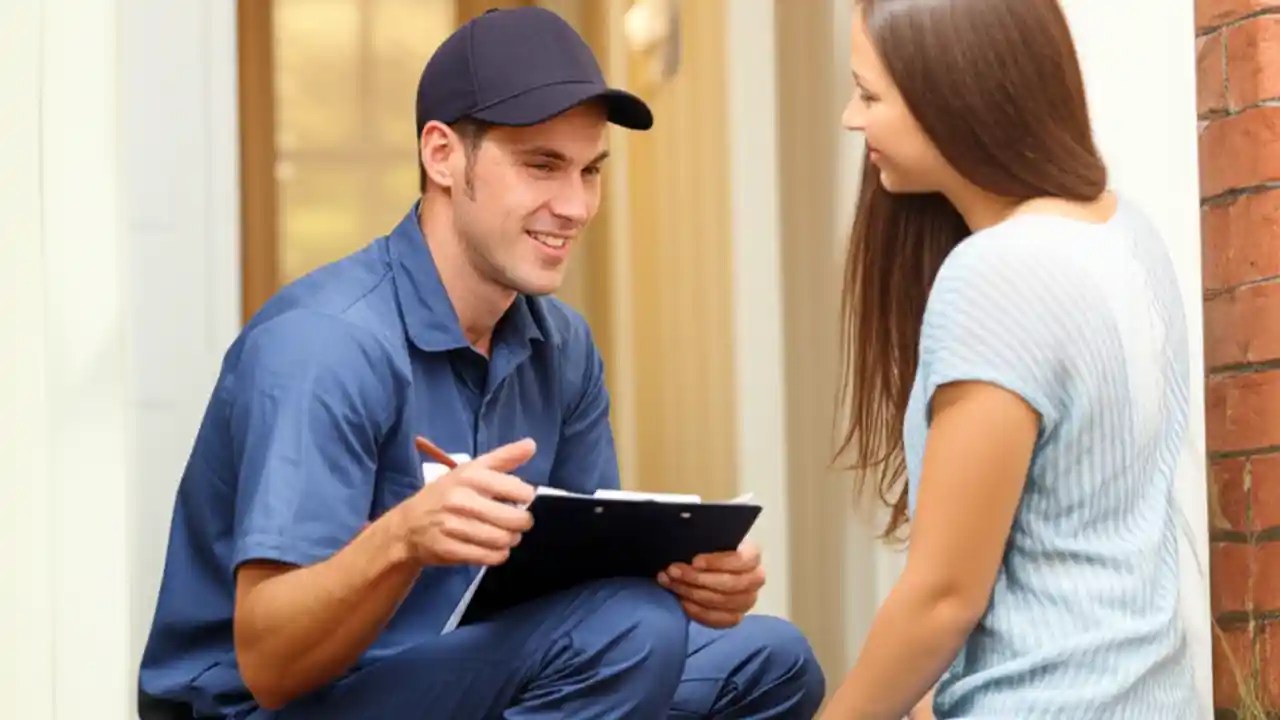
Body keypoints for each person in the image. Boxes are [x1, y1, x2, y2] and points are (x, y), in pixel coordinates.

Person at [138, 7, 824, 719]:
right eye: (542, 166)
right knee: (631, 631)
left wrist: (687, 580)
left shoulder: (562, 347)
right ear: (442, 156)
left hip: (449, 672)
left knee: (770, 659)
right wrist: (401, 540)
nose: (575, 206)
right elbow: (271, 666)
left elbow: (591, 598)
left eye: (590, 171)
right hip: (273, 705)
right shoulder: (325, 344)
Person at [820, 1, 1196, 718]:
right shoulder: (1124, 228)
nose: (850, 118)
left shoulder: (1000, 273)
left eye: (869, 95)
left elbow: (943, 599)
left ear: (952, 94)